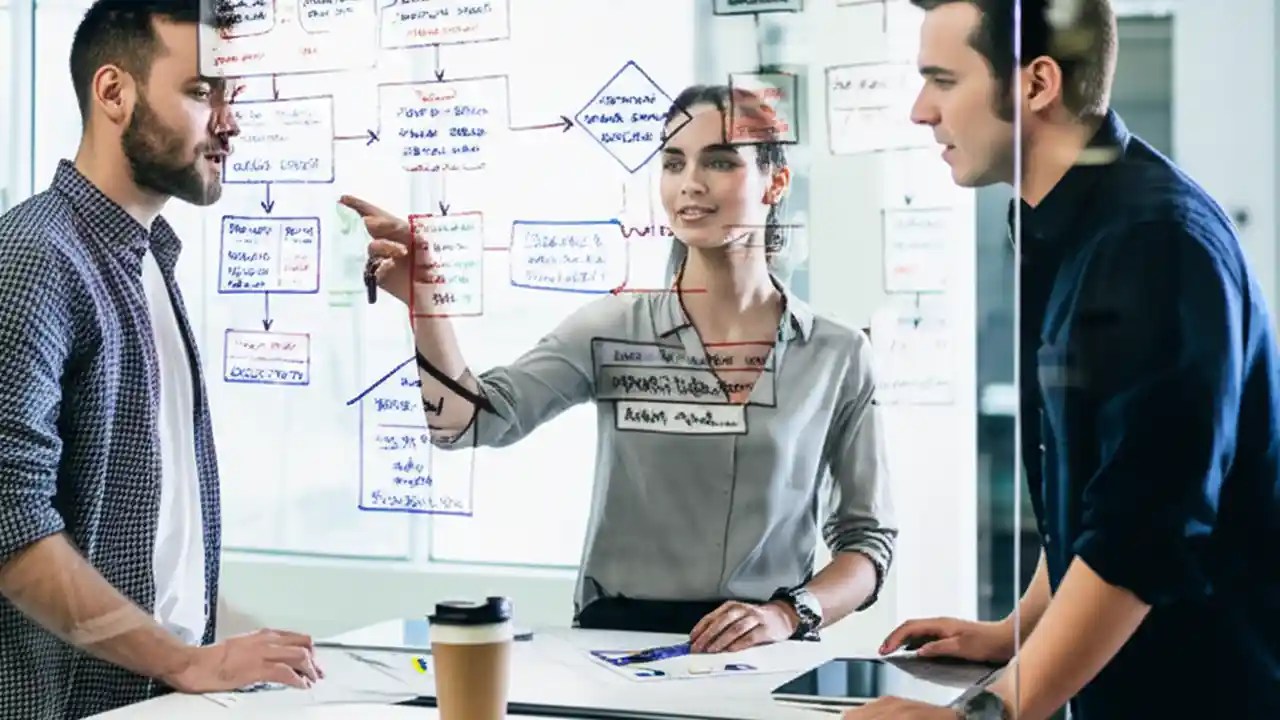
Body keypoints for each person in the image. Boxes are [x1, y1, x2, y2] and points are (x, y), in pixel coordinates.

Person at [343, 83, 898, 653]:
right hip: (619, 646)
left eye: (720, 161)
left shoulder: (838, 353)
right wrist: (426, 302)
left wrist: (789, 614)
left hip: (763, 652)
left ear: (775, 182)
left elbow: (867, 541)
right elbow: (464, 424)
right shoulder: (609, 327)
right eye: (673, 162)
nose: (691, 183)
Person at [845, 0, 1280, 718]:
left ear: (1037, 83)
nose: (920, 110)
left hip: (1205, 693)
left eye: (943, 81)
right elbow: (1085, 486)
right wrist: (1019, 631)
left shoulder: (1152, 244)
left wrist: (981, 715)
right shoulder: (1063, 221)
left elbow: (1142, 534)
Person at [0, 2, 322, 718]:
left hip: (152, 699)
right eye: (203, 92)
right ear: (113, 93)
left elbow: (156, 544)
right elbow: (10, 528)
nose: (229, 123)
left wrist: (230, 649)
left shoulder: (149, 260)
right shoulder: (35, 259)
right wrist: (186, 661)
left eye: (231, 97)